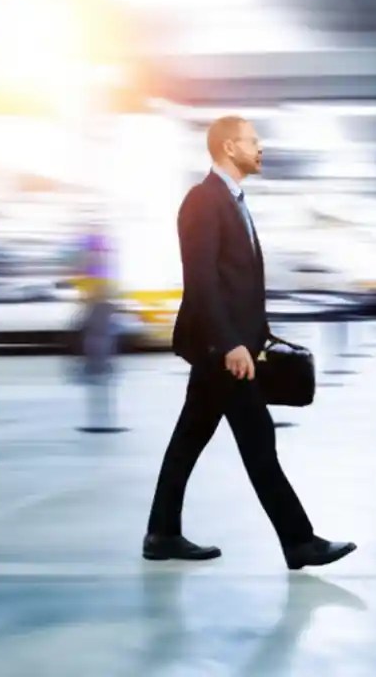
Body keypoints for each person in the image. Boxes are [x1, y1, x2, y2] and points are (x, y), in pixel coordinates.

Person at [143, 115, 355, 570]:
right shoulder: (203, 201)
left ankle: (161, 533)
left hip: (231, 349)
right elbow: (201, 282)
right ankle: (298, 542)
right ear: (227, 148)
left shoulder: (234, 201)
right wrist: (230, 344)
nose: (261, 148)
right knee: (259, 445)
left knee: (188, 442)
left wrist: (260, 336)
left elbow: (235, 283)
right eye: (252, 141)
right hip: (222, 353)